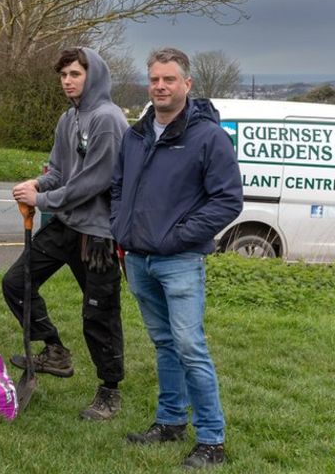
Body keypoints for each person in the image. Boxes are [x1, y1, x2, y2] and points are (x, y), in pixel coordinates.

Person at [111, 48, 243, 469]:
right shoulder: (136, 135)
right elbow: (118, 187)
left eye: (169, 79)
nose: (161, 86)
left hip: (180, 260)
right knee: (164, 343)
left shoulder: (207, 137)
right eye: (154, 79)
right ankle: (169, 421)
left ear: (187, 84)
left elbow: (228, 201)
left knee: (190, 346)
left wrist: (179, 236)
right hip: (138, 258)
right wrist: (121, 227)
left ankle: (212, 440)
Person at [1, 47, 128, 420]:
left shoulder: (107, 119)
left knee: (99, 315)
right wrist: (36, 182)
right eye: (64, 75)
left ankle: (109, 390)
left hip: (98, 236)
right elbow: (59, 170)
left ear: (95, 76)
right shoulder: (67, 118)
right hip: (66, 225)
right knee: (16, 283)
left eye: (75, 74)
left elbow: (93, 181)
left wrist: (42, 198)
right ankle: (54, 350)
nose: (68, 81)